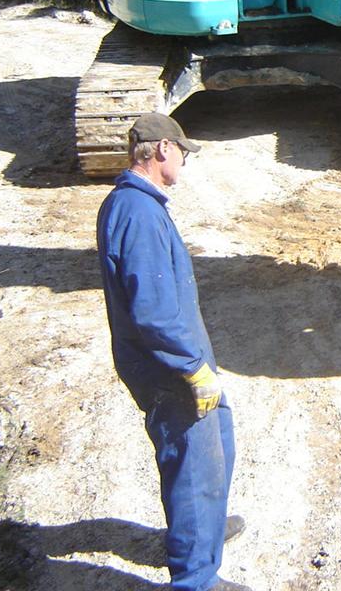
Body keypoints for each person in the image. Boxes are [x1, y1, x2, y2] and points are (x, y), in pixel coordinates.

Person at [96, 113, 251, 591]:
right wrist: (191, 369)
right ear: (163, 149)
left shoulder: (137, 205)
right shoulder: (138, 213)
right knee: (194, 464)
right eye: (182, 151)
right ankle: (195, 578)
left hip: (181, 358)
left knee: (216, 440)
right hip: (169, 367)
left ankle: (202, 530)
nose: (185, 160)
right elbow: (153, 312)